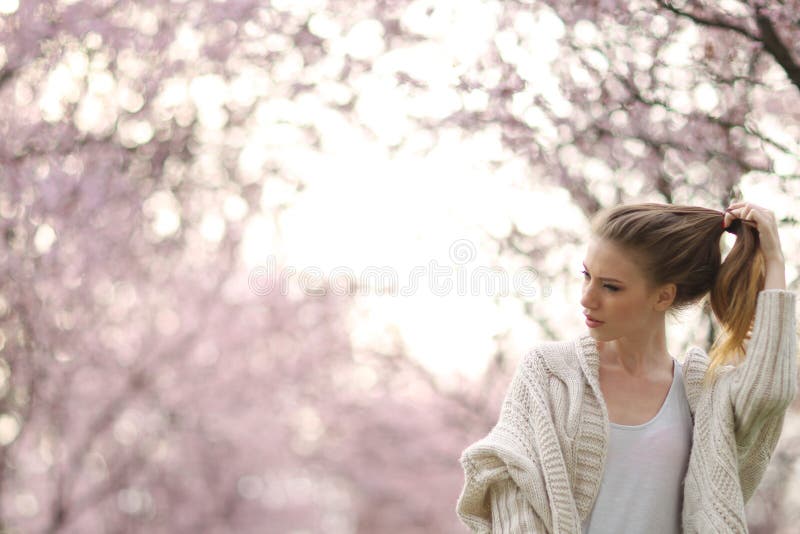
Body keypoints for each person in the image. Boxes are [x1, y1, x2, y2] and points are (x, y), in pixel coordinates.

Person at [455, 201, 797, 533]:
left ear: (663, 297)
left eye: (610, 286)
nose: (587, 298)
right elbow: (510, 484)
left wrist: (774, 260)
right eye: (586, 276)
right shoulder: (550, 374)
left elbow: (769, 390)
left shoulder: (703, 396)